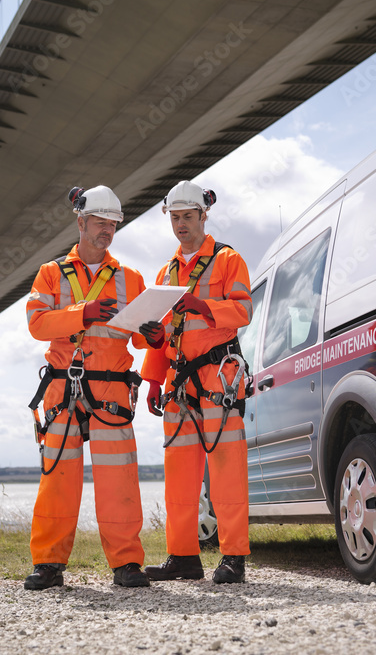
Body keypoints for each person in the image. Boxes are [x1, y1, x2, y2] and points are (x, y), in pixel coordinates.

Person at [23, 185, 159, 590]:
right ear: (81, 222)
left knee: (119, 481)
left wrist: (154, 335)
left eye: (112, 225)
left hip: (112, 389)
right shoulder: (50, 273)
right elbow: (36, 323)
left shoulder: (130, 278)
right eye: (100, 223)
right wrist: (83, 313)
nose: (106, 231)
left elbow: (139, 337)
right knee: (58, 480)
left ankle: (126, 564)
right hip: (64, 389)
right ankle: (48, 564)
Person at [139, 180, 253, 584]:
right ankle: (183, 556)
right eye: (175, 217)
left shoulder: (227, 260)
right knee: (180, 476)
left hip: (218, 378)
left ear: (204, 215)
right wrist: (152, 378)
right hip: (178, 382)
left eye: (188, 216)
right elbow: (162, 333)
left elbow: (243, 311)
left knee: (226, 470)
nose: (181, 224)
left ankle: (233, 557)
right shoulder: (166, 272)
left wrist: (202, 305)